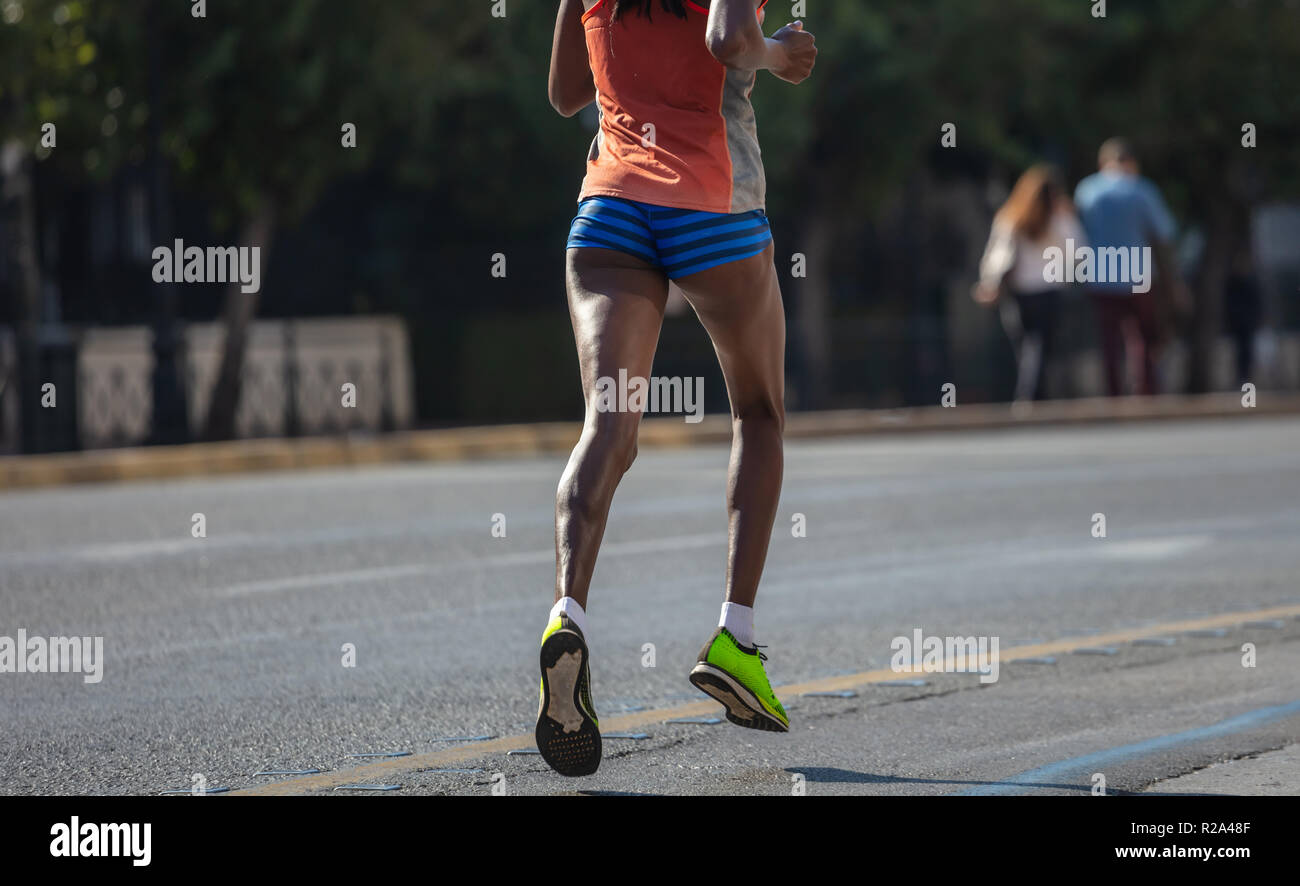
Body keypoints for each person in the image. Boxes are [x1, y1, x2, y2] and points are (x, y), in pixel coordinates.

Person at [538, 0, 816, 776]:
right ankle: (735, 638)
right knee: (759, 413)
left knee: (608, 424)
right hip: (711, 207)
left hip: (611, 211)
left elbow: (565, 94)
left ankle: (568, 616)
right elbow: (728, 39)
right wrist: (777, 53)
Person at [1074, 138, 1180, 396]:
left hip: (1100, 275)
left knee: (1108, 341)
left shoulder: (1086, 190)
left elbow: (1077, 233)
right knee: (1141, 338)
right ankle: (1145, 392)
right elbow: (1164, 233)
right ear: (1131, 162)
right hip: (1138, 274)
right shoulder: (1142, 190)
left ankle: (1113, 394)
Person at [974, 165, 1086, 403]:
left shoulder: (1011, 217)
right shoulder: (1061, 219)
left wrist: (989, 283)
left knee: (1027, 349)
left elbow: (996, 256)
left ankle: (1032, 397)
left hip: (1018, 294)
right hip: (1049, 292)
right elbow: (1078, 252)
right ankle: (1031, 397)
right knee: (1041, 350)